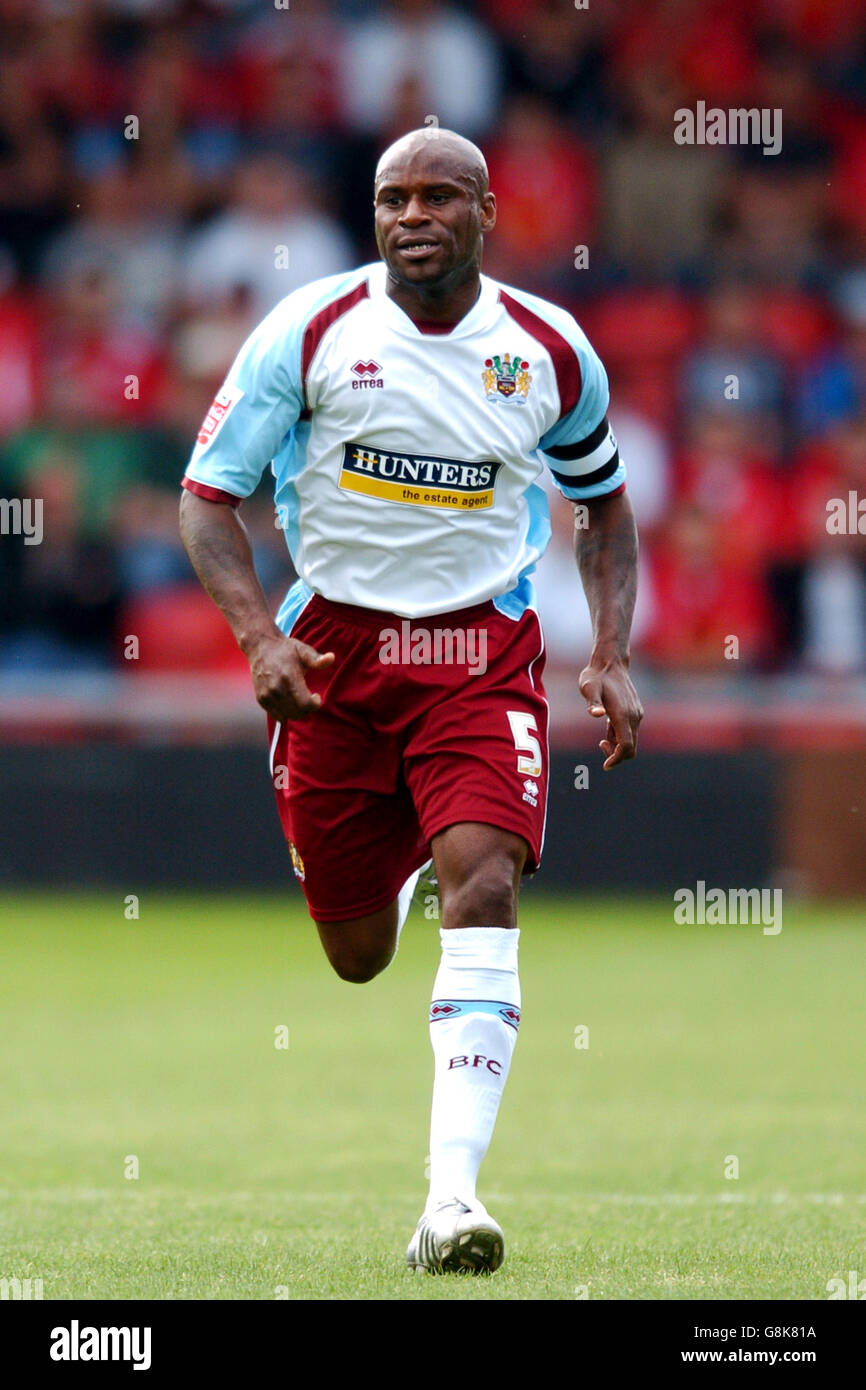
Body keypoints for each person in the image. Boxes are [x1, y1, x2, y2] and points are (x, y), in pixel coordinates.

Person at [179, 128, 643, 1274]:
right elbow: (205, 500)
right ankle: (386, 852)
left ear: (487, 211)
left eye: (440, 196)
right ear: (371, 213)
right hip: (331, 656)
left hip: (481, 651)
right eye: (394, 197)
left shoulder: (546, 350)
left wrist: (614, 651)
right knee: (354, 956)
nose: (413, 215)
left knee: (481, 878)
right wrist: (255, 638)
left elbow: (605, 506)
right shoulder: (309, 331)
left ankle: (450, 1203)